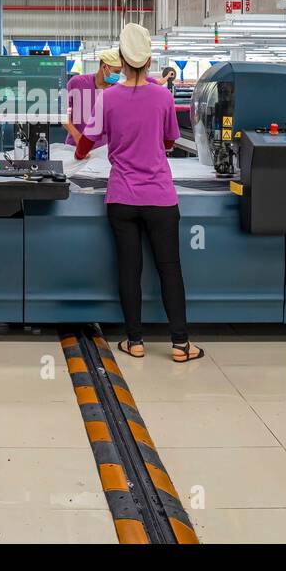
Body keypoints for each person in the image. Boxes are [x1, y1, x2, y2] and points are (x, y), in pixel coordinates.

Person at [75, 24, 203, 363]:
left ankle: (135, 342)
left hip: (122, 198)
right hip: (160, 197)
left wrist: (82, 154)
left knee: (129, 269)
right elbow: (169, 142)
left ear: (120, 59)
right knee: (169, 268)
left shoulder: (107, 98)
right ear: (148, 61)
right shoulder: (163, 96)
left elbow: (86, 142)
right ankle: (180, 344)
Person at [64, 48, 122, 144]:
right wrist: (76, 135)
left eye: (119, 72)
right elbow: (62, 114)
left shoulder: (118, 91)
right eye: (116, 72)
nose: (117, 76)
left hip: (104, 151)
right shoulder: (77, 83)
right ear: (104, 67)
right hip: (75, 147)